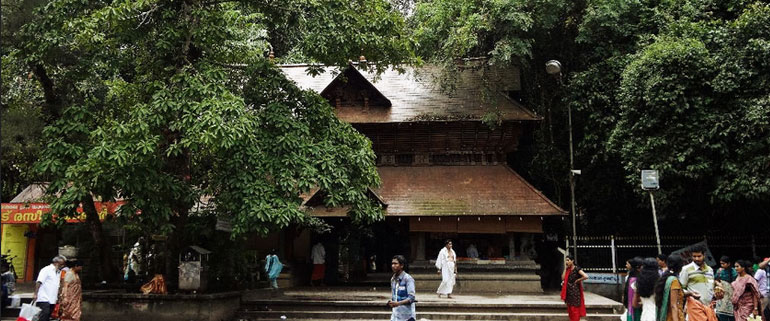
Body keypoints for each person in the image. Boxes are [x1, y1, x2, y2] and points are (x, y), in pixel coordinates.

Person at [33, 255, 66, 321]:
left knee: (48, 316)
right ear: (56, 263)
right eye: (61, 264)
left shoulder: (58, 272)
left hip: (52, 299)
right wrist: (35, 294)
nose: (62, 266)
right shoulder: (46, 269)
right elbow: (39, 281)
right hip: (44, 298)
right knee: (44, 315)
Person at [655, 254, 686, 321]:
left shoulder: (665, 278)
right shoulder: (674, 281)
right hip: (673, 317)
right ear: (680, 266)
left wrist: (689, 294)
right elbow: (673, 305)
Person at [388, 255, 416, 321]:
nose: (393, 266)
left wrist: (398, 303)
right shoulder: (393, 279)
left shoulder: (408, 279)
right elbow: (394, 296)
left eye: (395, 264)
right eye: (392, 264)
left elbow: (411, 298)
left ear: (401, 265)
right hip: (395, 316)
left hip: (407, 317)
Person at [561, 255, 588, 321]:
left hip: (575, 292)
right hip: (569, 292)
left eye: (568, 260)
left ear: (572, 261)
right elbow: (563, 278)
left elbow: (586, 276)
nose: (566, 262)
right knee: (570, 309)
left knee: (574, 309)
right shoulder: (568, 269)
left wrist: (578, 280)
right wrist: (565, 268)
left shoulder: (577, 269)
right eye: (566, 260)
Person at [625, 257, 644, 321]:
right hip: (636, 305)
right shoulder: (635, 279)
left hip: (631, 306)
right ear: (638, 267)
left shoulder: (631, 277)